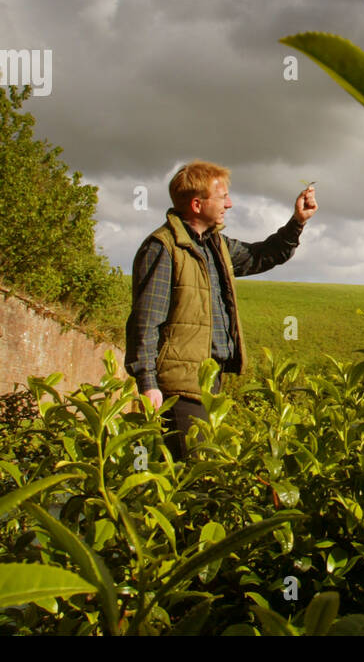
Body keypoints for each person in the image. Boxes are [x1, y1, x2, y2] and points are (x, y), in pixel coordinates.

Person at [124, 160, 317, 459]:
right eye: (222, 197)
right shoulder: (163, 248)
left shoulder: (216, 245)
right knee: (195, 477)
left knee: (204, 477)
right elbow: (145, 323)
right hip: (178, 388)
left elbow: (261, 255)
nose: (230, 203)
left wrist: (298, 221)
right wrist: (148, 385)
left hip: (208, 383)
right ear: (197, 204)